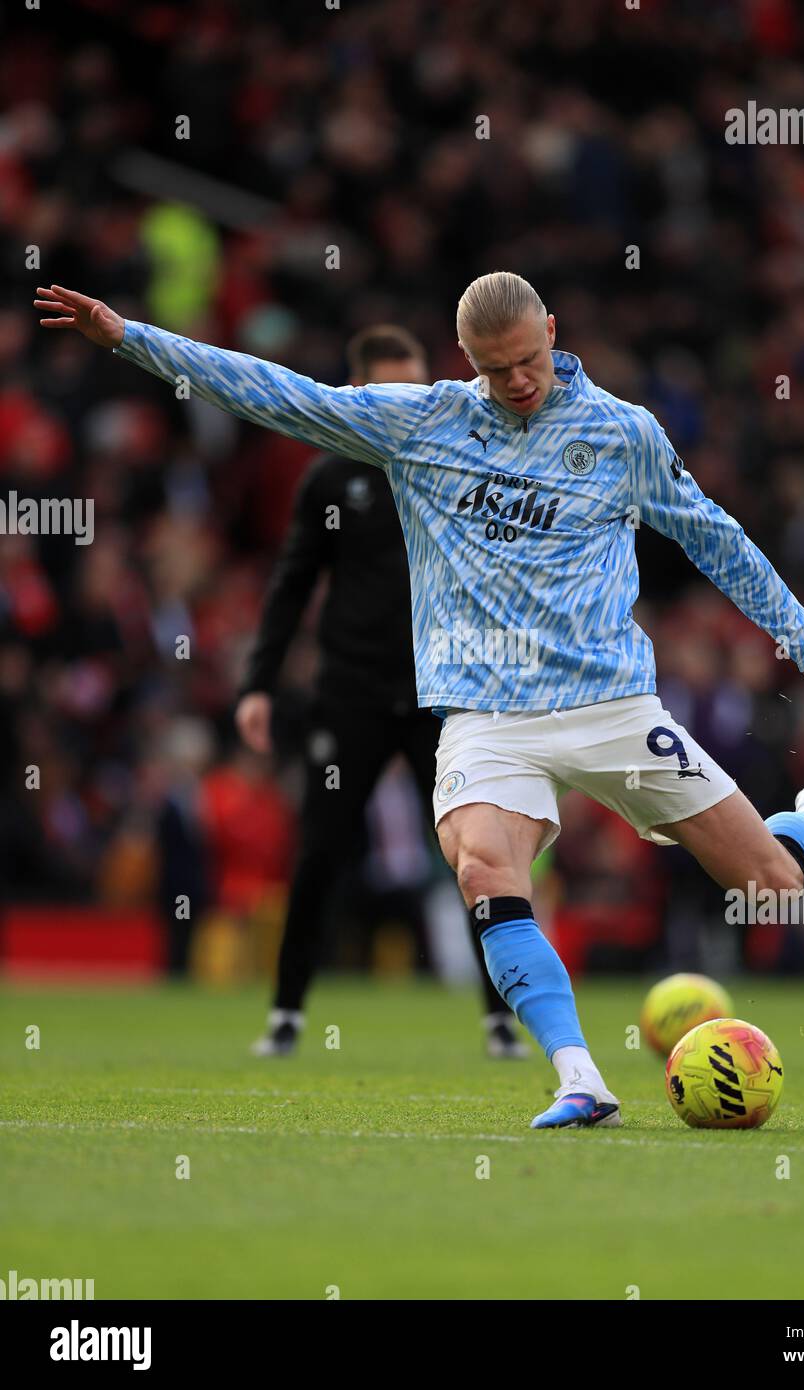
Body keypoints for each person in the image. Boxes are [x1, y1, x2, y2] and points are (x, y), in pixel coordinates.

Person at [34, 273, 804, 1130]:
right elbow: (278, 393)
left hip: (611, 705)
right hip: (485, 718)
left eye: (525, 361)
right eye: (492, 368)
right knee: (483, 871)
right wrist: (131, 340)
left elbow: (718, 539)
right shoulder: (421, 423)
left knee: (769, 886)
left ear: (552, 333)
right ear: (464, 360)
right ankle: (578, 1076)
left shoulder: (624, 434)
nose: (514, 382)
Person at [234, 323, 527, 1058]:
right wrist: (259, 682)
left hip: (443, 693)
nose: (408, 404)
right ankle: (287, 1015)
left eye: (417, 388)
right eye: (390, 390)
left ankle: (499, 1018)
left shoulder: (455, 469)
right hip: (353, 691)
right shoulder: (332, 478)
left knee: (479, 853)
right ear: (358, 393)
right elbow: (292, 581)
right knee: (321, 851)